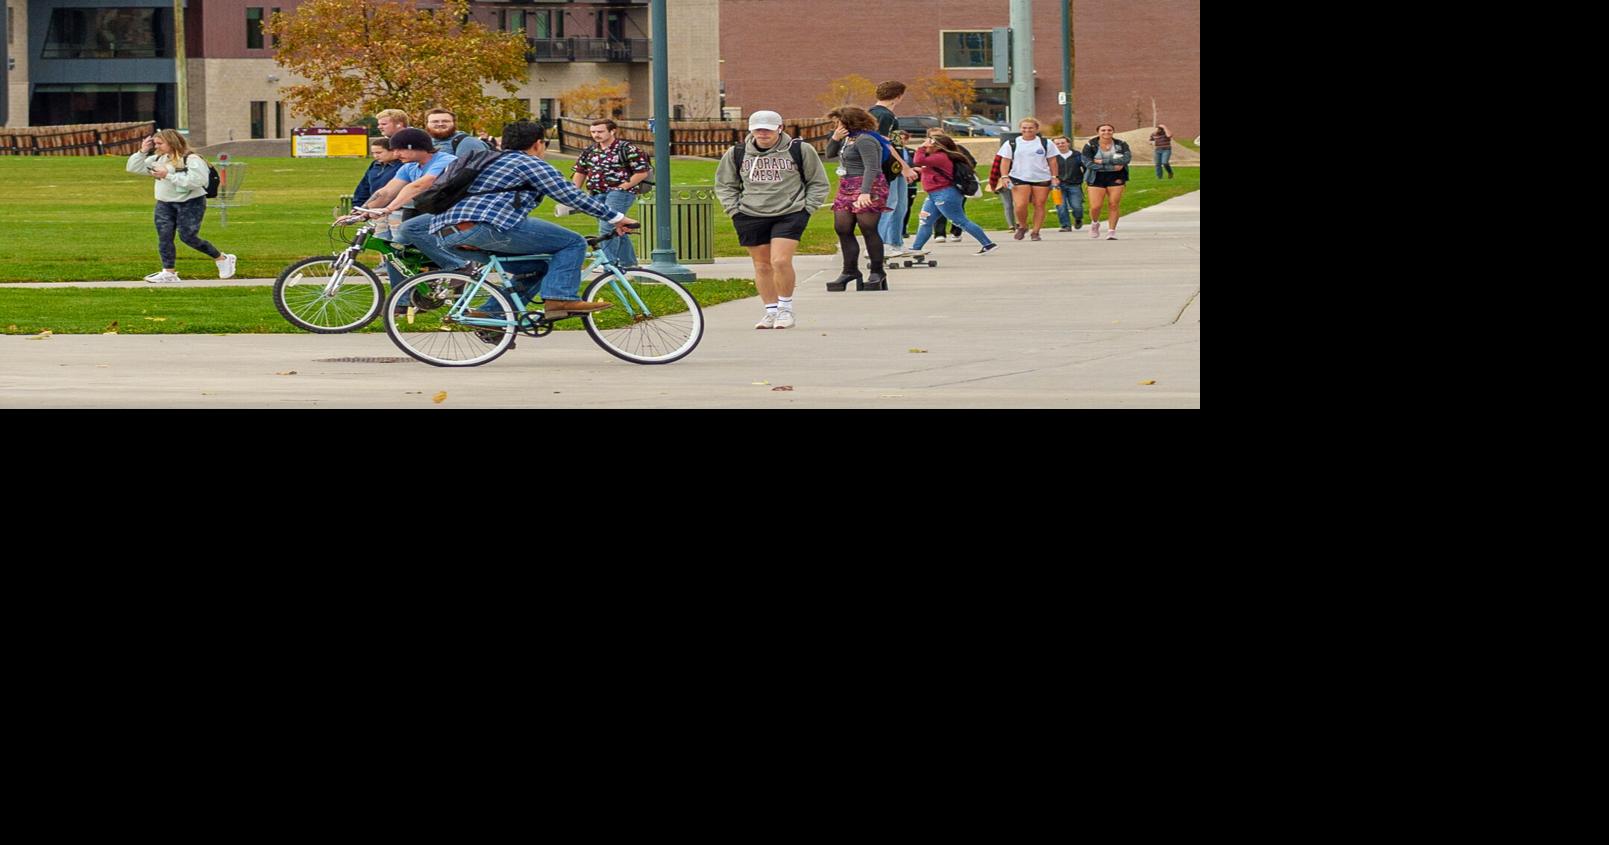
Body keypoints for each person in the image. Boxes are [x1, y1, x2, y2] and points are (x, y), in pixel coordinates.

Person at [403, 120, 637, 320]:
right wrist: (616, 217)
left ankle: (492, 315)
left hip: (446, 233)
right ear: (538, 144)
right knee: (573, 242)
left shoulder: (485, 159)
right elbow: (570, 195)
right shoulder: (528, 162)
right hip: (484, 226)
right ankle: (561, 300)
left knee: (540, 267)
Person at [714, 110, 831, 329]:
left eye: (767, 129)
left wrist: (808, 208)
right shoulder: (737, 153)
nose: (763, 134)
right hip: (749, 213)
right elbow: (725, 184)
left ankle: (786, 308)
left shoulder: (800, 150)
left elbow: (818, 182)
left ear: (780, 128)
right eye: (758, 129)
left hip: (790, 211)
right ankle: (770, 311)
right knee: (762, 265)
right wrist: (734, 210)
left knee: (780, 261)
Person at [357, 128, 458, 305]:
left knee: (409, 227)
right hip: (436, 213)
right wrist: (363, 211)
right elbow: (387, 191)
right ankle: (402, 302)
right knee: (393, 250)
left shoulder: (445, 161)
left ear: (416, 146)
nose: (396, 154)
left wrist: (389, 209)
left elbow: (420, 186)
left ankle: (457, 266)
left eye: (400, 149)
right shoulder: (409, 167)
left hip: (458, 211)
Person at [125, 129, 235, 284]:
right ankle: (169, 272)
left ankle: (222, 258)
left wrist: (168, 175)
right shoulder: (158, 158)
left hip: (191, 202)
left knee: (188, 236)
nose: (156, 146)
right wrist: (143, 151)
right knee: (164, 236)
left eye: (160, 143)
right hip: (164, 202)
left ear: (172, 142)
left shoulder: (192, 159)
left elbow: (197, 181)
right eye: (155, 143)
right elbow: (133, 168)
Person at [823, 106, 891, 292]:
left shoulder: (866, 140)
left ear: (850, 121)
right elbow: (828, 155)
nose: (835, 125)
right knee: (842, 228)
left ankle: (877, 272)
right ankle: (850, 270)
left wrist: (865, 192)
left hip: (869, 185)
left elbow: (872, 167)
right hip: (846, 185)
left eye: (838, 122)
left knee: (868, 228)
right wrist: (835, 139)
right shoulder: (847, 139)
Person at [571, 118, 652, 270]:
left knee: (607, 224)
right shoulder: (590, 150)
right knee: (616, 226)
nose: (596, 135)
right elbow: (580, 171)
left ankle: (609, 264)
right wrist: (574, 192)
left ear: (612, 131)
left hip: (620, 192)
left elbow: (642, 171)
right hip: (596, 193)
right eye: (593, 132)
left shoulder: (627, 149)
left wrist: (623, 186)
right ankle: (629, 264)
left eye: (600, 131)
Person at [909, 134, 998, 256]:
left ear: (936, 146)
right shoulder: (937, 157)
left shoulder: (940, 156)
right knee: (926, 221)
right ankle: (916, 248)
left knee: (960, 221)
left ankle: (988, 244)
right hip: (933, 195)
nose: (926, 145)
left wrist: (921, 148)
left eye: (928, 143)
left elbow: (918, 160)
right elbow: (929, 168)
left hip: (944, 194)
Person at [867, 81, 911, 258]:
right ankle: (879, 244)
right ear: (898, 96)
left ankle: (896, 243)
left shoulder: (888, 114)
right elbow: (884, 143)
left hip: (895, 166)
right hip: (887, 167)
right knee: (889, 204)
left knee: (901, 205)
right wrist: (905, 165)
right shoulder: (882, 115)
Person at [998, 117, 1055, 241]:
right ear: (1020, 129)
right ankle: (1022, 226)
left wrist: (1054, 176)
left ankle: (1036, 231)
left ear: (1036, 129)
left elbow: (1052, 160)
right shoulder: (1012, 143)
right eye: (1024, 128)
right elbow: (1005, 161)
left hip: (1041, 177)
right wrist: (1004, 176)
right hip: (1019, 176)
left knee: (1039, 204)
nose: (1027, 130)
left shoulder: (1046, 143)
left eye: (1030, 128)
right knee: (1020, 205)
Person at [923, 128, 974, 243]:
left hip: (955, 185)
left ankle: (957, 231)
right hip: (936, 186)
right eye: (933, 138)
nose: (936, 141)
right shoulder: (927, 152)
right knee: (936, 211)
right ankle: (939, 233)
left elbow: (971, 162)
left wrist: (960, 173)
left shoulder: (957, 150)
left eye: (939, 137)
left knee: (957, 210)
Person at [1083, 123, 1133, 240]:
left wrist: (1102, 161)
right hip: (1096, 177)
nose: (1106, 132)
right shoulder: (1090, 145)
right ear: (1098, 132)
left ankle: (1111, 231)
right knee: (1095, 206)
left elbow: (1126, 159)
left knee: (1113, 204)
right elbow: (1088, 162)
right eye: (1103, 130)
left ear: (1113, 132)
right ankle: (1095, 223)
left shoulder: (1121, 144)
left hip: (1117, 176)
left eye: (1109, 130)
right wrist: (1111, 165)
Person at [351, 138, 401, 211]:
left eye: (379, 153)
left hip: (393, 209)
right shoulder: (375, 165)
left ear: (392, 151)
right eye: (373, 153)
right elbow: (364, 187)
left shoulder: (403, 166)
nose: (375, 156)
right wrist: (357, 207)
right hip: (372, 208)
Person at [1050, 136, 1085, 231]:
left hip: (1074, 184)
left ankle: (1078, 218)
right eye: (1057, 143)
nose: (1060, 145)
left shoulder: (1077, 155)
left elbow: (1086, 168)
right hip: (1057, 185)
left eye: (1063, 142)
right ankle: (1065, 225)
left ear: (1068, 143)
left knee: (1077, 206)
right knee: (1061, 206)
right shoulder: (1051, 157)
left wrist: (1086, 178)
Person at [423, 108, 489, 157]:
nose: (440, 124)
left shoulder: (468, 142)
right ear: (427, 124)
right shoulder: (423, 142)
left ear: (454, 123)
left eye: (445, 121)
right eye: (435, 121)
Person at [989, 150, 1015, 239]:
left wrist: (993, 185)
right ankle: (1018, 223)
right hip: (1016, 182)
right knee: (1017, 203)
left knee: (1008, 204)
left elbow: (994, 171)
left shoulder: (1001, 155)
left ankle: (1011, 225)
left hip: (1004, 181)